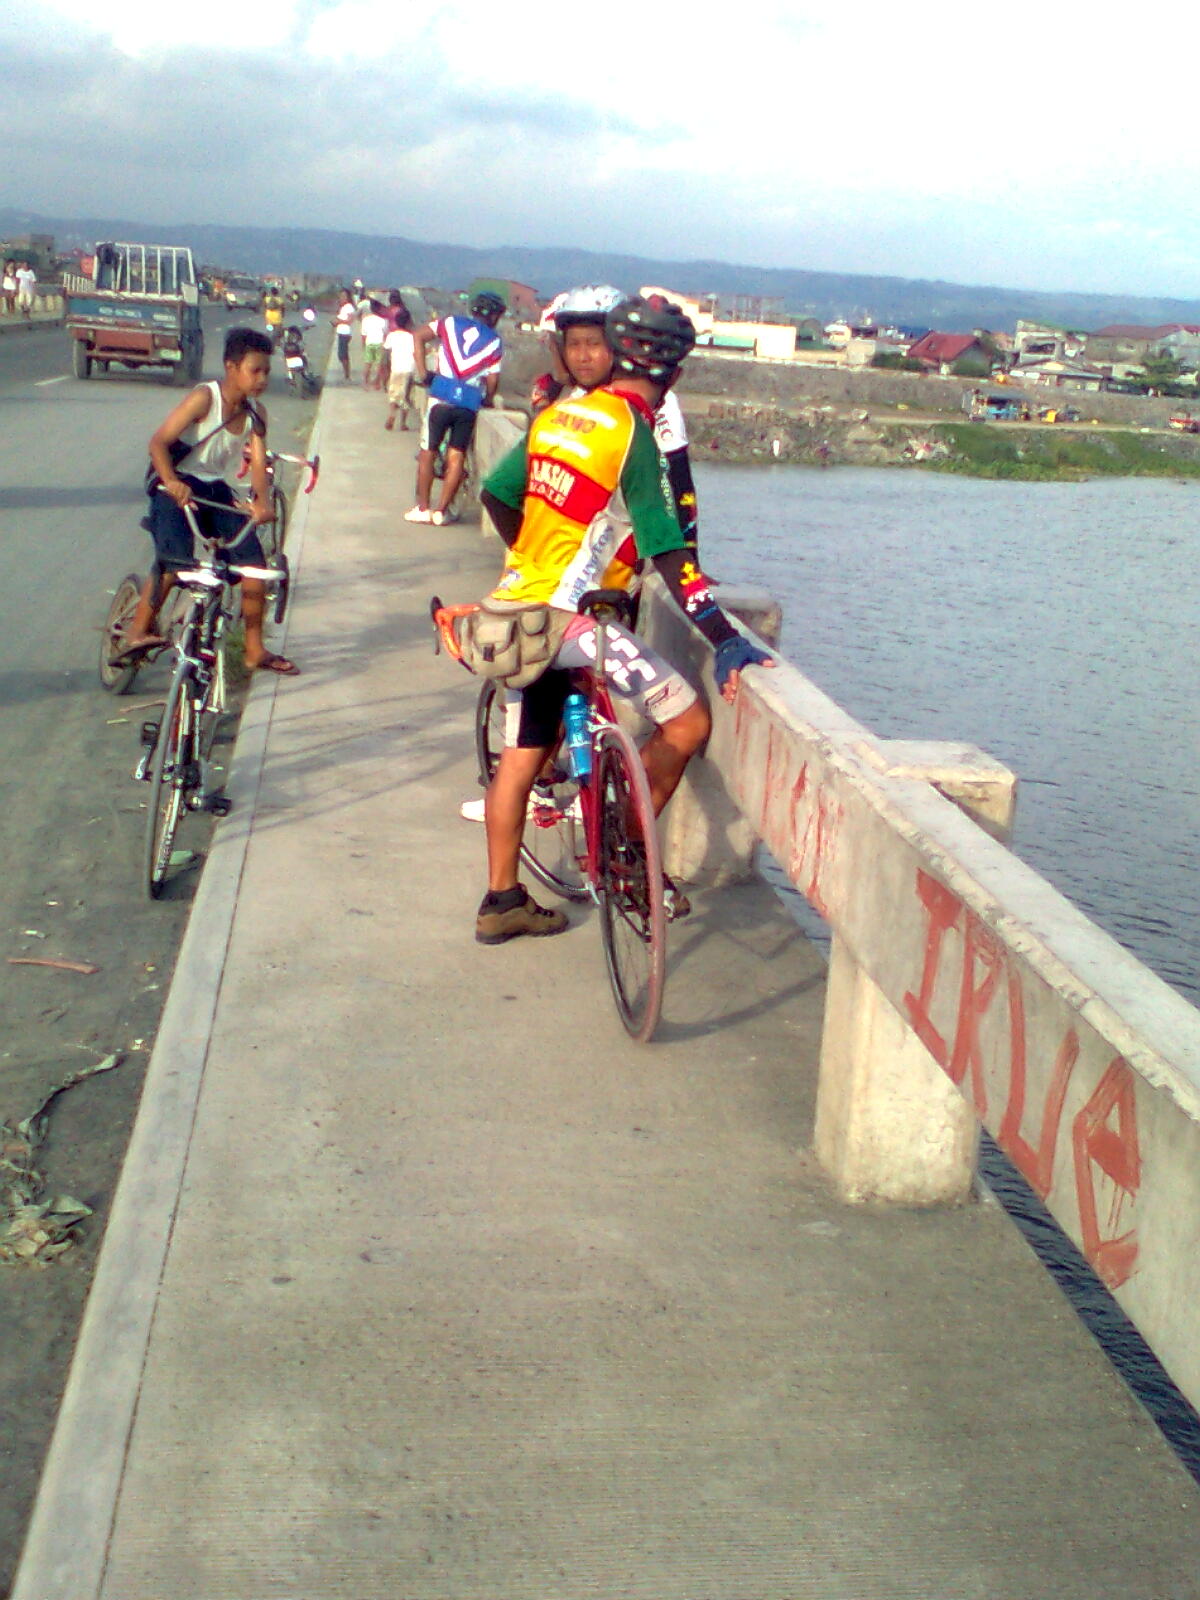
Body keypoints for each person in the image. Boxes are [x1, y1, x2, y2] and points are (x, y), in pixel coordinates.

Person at [472, 294, 772, 944]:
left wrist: (532, 551)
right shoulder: (638, 435)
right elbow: (672, 556)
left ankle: (500, 901)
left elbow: (496, 490)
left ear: (613, 352)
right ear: (676, 375)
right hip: (570, 625)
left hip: (515, 609)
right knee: (687, 721)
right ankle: (626, 855)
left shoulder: (559, 414)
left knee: (521, 758)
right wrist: (724, 640)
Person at [114, 327, 299, 676]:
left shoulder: (257, 413)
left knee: (253, 565)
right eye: (254, 370)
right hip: (176, 481)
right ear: (231, 366)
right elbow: (158, 443)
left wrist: (261, 503)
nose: (261, 379)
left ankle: (253, 649)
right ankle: (137, 630)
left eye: (266, 372)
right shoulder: (205, 398)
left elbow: (259, 463)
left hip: (213, 489)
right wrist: (171, 482)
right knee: (174, 559)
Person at [537, 285, 701, 554]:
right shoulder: (568, 405)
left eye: (594, 344)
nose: (582, 357)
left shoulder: (658, 404)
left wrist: (690, 560)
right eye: (573, 344)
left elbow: (681, 489)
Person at [405, 290, 505, 527]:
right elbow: (492, 380)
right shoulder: (494, 341)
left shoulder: (450, 323)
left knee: (428, 450)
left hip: (440, 396)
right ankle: (441, 511)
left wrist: (422, 373)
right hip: (468, 403)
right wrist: (488, 398)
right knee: (456, 454)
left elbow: (418, 336)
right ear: (494, 317)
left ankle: (422, 508)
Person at [383, 307, 416, 430]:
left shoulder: (392, 335)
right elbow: (416, 353)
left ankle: (392, 415)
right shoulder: (412, 337)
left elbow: (385, 354)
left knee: (393, 394)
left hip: (395, 368)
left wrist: (384, 370)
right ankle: (403, 423)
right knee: (405, 396)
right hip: (408, 369)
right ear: (408, 322)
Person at [360, 298, 388, 390]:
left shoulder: (366, 320)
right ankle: (378, 384)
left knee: (367, 364)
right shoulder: (383, 320)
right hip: (379, 343)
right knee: (379, 365)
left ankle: (365, 383)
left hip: (369, 343)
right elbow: (385, 334)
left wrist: (363, 345)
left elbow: (363, 335)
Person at [333, 289, 355, 382]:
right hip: (341, 332)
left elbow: (350, 320)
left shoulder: (349, 307)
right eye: (341, 296)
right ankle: (346, 374)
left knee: (343, 355)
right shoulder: (343, 307)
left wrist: (339, 321)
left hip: (345, 333)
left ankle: (347, 375)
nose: (342, 298)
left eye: (344, 296)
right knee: (342, 355)